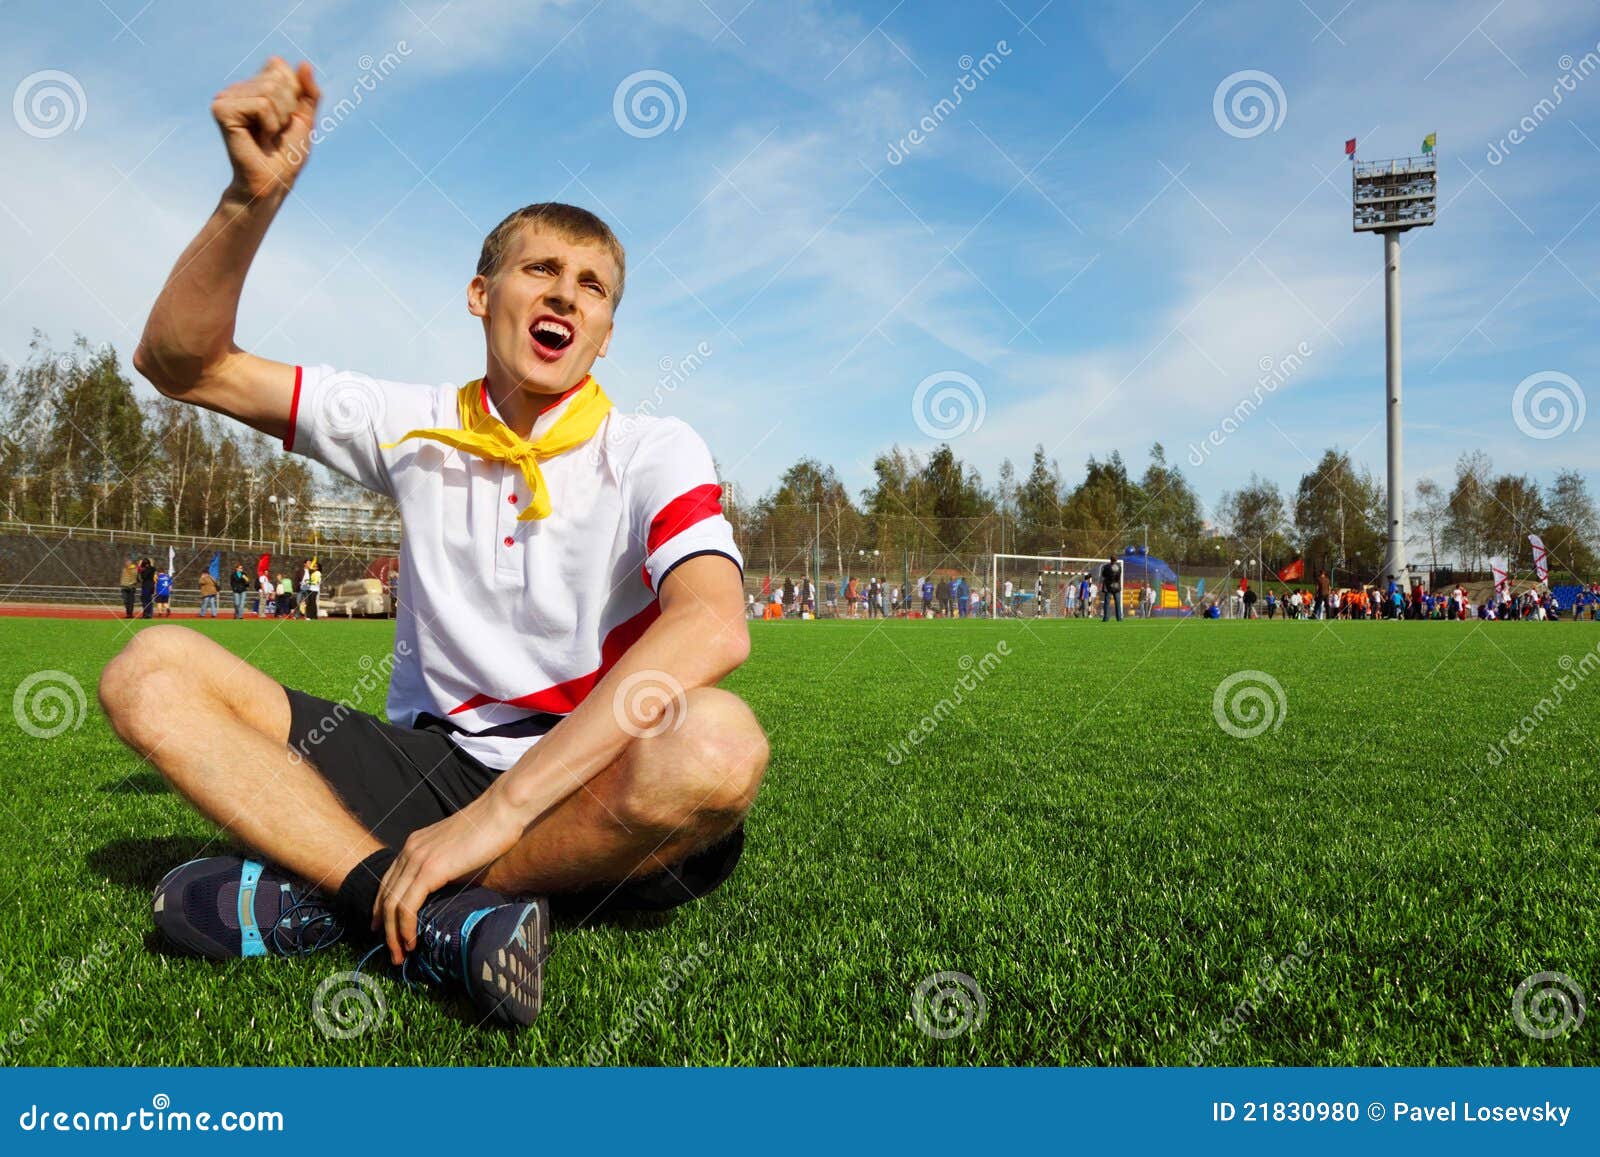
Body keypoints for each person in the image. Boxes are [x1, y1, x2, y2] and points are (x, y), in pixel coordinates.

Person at [99, 58, 767, 1029]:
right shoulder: (410, 422)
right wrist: (252, 199)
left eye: (592, 286)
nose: (566, 295)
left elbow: (712, 626)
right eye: (542, 268)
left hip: (591, 772)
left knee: (717, 743)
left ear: (606, 333)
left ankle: (356, 888)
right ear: (479, 292)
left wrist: (492, 819)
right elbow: (180, 362)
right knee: (149, 670)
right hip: (431, 764)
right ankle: (407, 901)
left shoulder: (652, 447)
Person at [1099, 555, 1122, 622]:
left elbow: (1103, 575)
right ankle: (1119, 618)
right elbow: (1119, 576)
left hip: (1108, 586)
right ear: (1116, 560)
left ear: (1110, 560)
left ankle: (1106, 618)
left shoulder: (1106, 567)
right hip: (1117, 586)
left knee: (1107, 603)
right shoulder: (1119, 567)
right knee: (1117, 603)